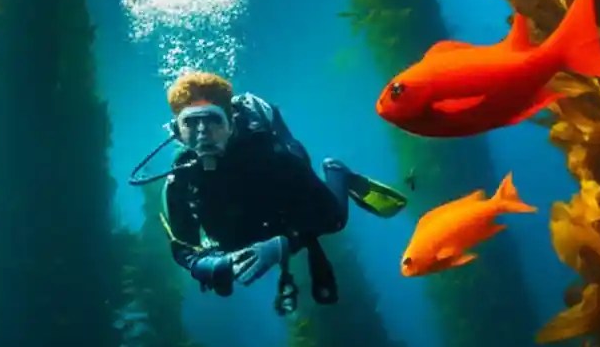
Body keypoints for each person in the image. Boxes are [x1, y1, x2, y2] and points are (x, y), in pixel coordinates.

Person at [132, 70, 408, 315]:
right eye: (190, 124)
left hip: (285, 214)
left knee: (337, 220)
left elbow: (324, 214)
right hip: (238, 234)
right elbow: (182, 245)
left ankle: (336, 172)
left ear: (230, 122)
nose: (202, 133)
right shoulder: (181, 176)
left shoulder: (270, 155)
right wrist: (206, 265)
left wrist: (285, 244)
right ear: (177, 132)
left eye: (212, 121)